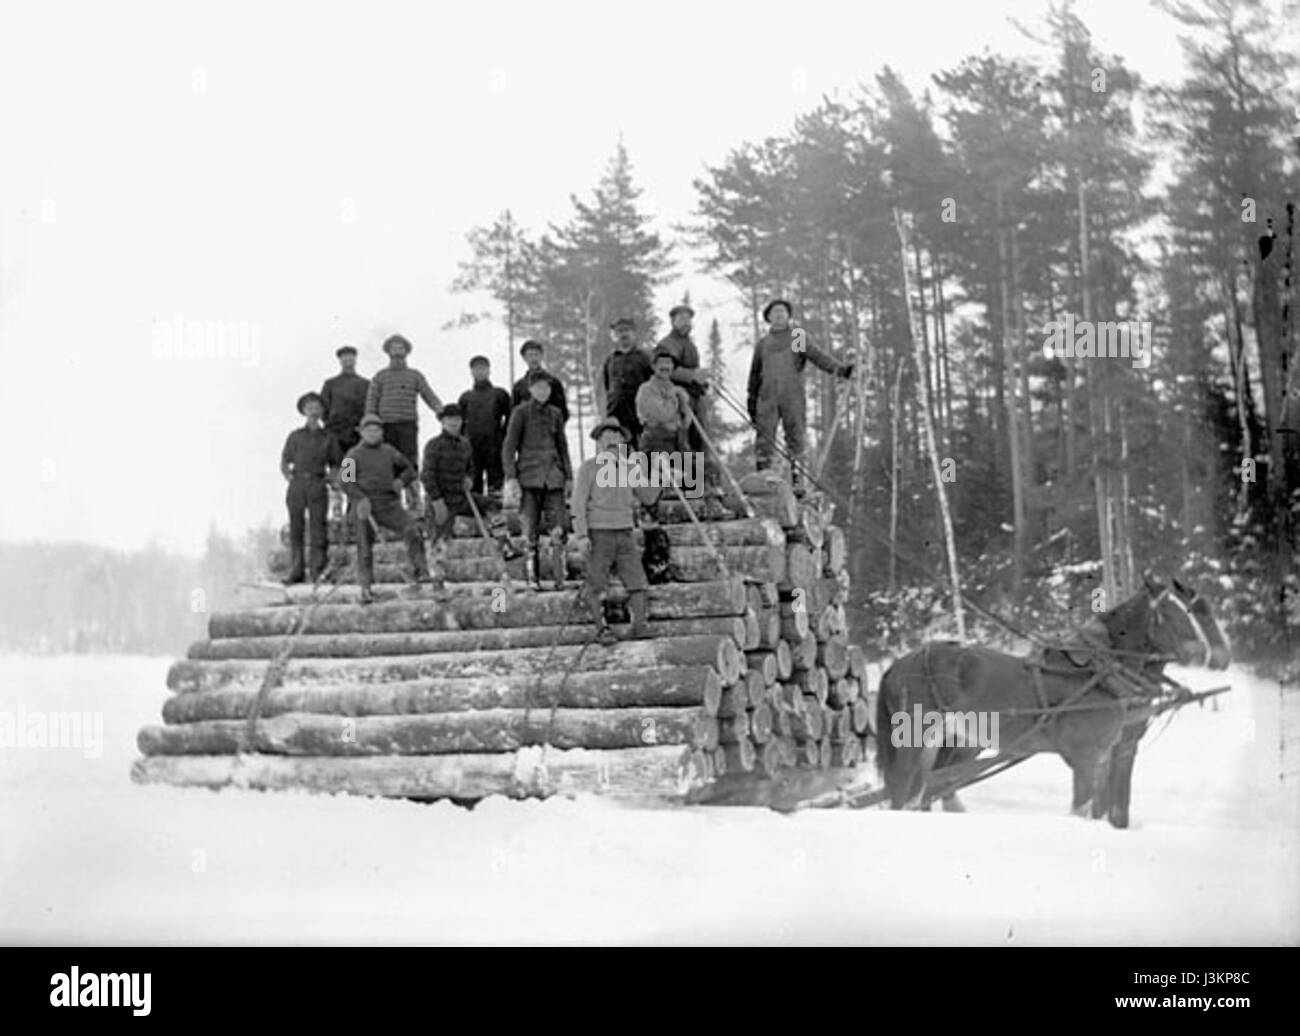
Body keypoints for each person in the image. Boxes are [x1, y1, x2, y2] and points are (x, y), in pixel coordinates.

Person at [746, 298, 853, 494]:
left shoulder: (796, 338)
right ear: (768, 318)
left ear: (788, 316)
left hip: (791, 396)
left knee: (795, 437)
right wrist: (751, 403)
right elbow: (754, 375)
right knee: (765, 439)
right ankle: (764, 482)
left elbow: (818, 357)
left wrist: (841, 370)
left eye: (782, 312)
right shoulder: (763, 344)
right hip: (767, 397)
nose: (779, 315)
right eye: (775, 312)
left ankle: (798, 484)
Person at [570, 418, 659, 645]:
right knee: (596, 584)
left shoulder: (630, 468)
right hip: (599, 534)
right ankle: (602, 629)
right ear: (599, 442)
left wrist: (660, 476)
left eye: (615, 436)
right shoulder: (589, 468)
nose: (610, 440)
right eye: (605, 436)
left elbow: (648, 496)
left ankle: (639, 626)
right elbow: (578, 504)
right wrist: (581, 536)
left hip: (625, 533)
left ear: (622, 441)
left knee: (636, 581)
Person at [341, 413, 432, 603]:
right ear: (362, 433)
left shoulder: (389, 451)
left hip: (389, 503)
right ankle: (366, 587)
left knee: (412, 530)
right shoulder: (352, 455)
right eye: (369, 430)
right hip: (364, 505)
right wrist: (359, 498)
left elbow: (409, 469)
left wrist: (400, 481)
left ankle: (420, 572)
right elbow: (346, 482)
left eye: (377, 430)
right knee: (364, 546)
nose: (373, 434)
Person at [421, 404, 521, 569]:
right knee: (439, 540)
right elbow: (427, 476)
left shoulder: (465, 444)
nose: (454, 422)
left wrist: (469, 478)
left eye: (457, 419)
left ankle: (504, 544)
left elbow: (470, 468)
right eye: (449, 419)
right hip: (440, 500)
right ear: (443, 422)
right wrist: (436, 501)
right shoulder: (433, 445)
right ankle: (437, 580)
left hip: (460, 497)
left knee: (492, 504)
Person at [502, 369, 572, 590]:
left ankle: (560, 577)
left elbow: (563, 446)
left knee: (558, 528)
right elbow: (508, 447)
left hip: (553, 477)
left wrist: (568, 476)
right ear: (531, 389)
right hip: (529, 477)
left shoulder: (555, 414)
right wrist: (511, 477)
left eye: (547, 387)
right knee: (529, 529)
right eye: (539, 387)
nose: (544, 391)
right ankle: (533, 578)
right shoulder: (520, 413)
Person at [280, 391, 342, 584]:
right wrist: (290, 478)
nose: (313, 411)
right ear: (303, 411)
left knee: (318, 528)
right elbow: (284, 461)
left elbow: (338, 463)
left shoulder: (328, 437)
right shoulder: (295, 436)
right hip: (297, 485)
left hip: (318, 483)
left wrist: (333, 481)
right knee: (296, 529)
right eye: (309, 407)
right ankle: (296, 572)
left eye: (316, 407)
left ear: (322, 411)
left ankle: (317, 571)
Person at [364, 334, 443, 473]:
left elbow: (429, 395)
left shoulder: (414, 375)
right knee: (387, 462)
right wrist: (370, 421)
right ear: (388, 351)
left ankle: (413, 493)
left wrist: (440, 411)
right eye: (393, 347)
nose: (397, 350)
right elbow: (372, 401)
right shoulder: (380, 376)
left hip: (408, 425)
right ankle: (390, 494)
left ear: (406, 351)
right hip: (386, 425)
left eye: (400, 347)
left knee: (410, 463)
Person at [457, 355, 513, 494]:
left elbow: (512, 418)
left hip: (495, 447)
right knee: (474, 486)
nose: (480, 372)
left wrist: (505, 437)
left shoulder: (500, 394)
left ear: (489, 371)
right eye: (476, 369)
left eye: (483, 368)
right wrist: (461, 442)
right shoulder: (466, 397)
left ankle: (494, 514)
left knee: (496, 486)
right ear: (471, 372)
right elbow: (458, 422)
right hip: (472, 448)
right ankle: (475, 514)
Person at [636, 348, 692, 479]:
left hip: (677, 444)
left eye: (669, 363)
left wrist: (684, 404)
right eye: (661, 363)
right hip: (655, 445)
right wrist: (673, 396)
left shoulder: (675, 390)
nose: (665, 366)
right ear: (654, 366)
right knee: (664, 480)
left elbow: (686, 422)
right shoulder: (646, 390)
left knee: (695, 477)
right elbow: (663, 415)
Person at [598, 317, 654, 442]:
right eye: (619, 331)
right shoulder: (610, 360)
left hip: (639, 414)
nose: (623, 334)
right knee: (620, 453)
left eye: (626, 330)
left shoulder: (645, 358)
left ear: (634, 333)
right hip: (617, 415)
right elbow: (608, 386)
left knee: (641, 452)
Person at [320, 345, 370, 456]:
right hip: (336, 432)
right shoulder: (330, 384)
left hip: (357, 432)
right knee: (337, 465)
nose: (348, 360)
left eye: (350, 357)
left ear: (355, 360)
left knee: (354, 464)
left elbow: (370, 407)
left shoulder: (365, 384)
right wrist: (330, 424)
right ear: (340, 361)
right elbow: (323, 408)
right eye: (344, 357)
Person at [511, 339, 568, 420]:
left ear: (542, 356)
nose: (534, 359)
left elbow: (563, 412)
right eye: (530, 355)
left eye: (536, 354)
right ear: (524, 358)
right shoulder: (519, 386)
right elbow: (514, 414)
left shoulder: (553, 383)